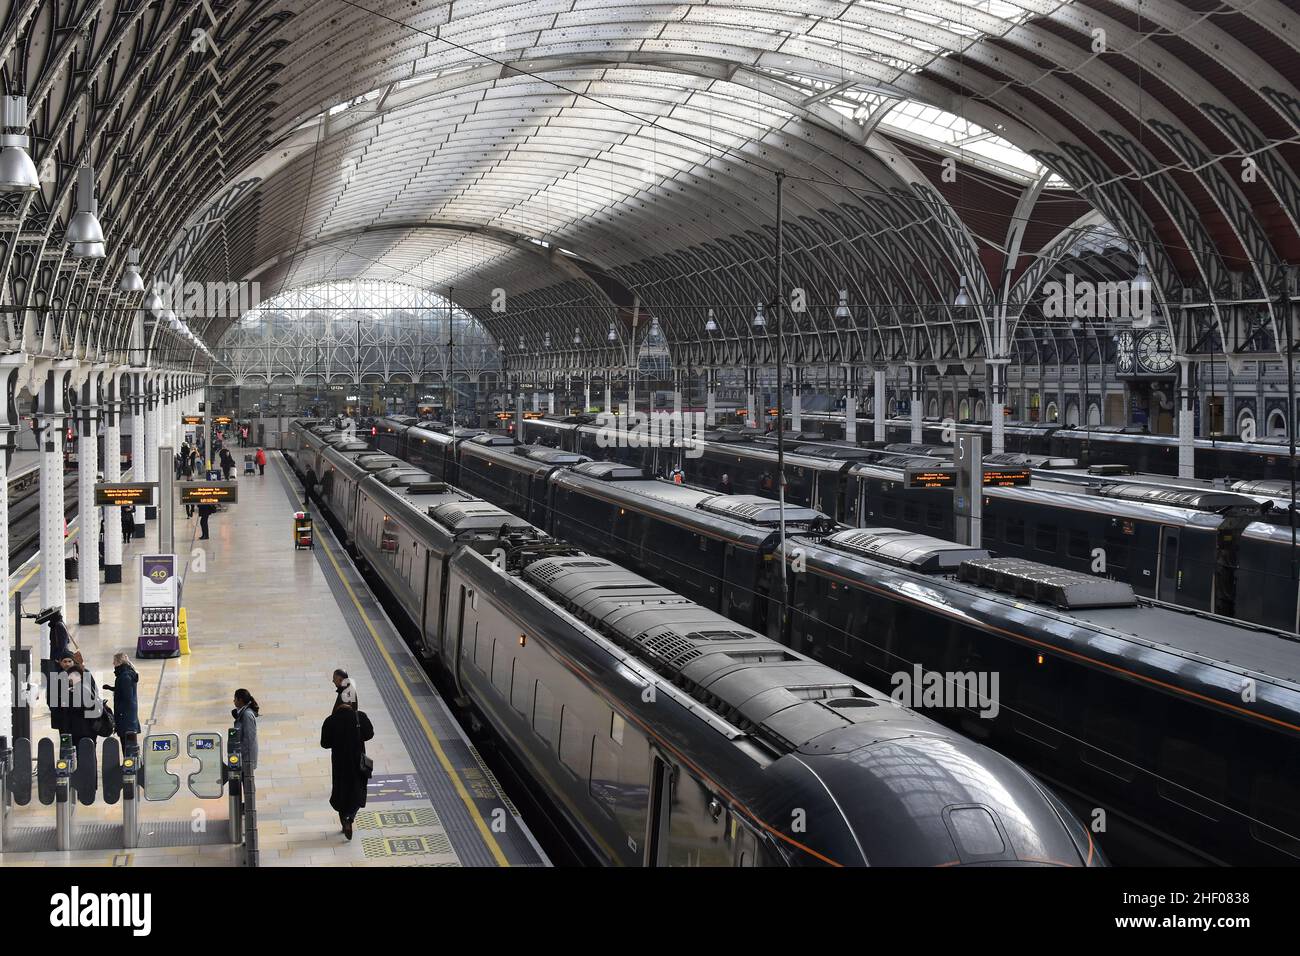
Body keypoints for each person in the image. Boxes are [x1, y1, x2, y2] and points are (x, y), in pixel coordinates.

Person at [320, 699, 374, 840]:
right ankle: (350, 817)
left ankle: (344, 818)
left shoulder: (330, 721)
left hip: (339, 763)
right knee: (358, 790)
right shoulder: (360, 716)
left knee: (341, 791)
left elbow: (324, 743)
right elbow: (369, 734)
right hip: (358, 762)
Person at [103, 653, 140, 756]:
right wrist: (111, 688)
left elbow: (127, 696)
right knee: (128, 741)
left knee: (127, 742)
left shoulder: (124, 676)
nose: (113, 663)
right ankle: (130, 761)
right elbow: (124, 690)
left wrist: (120, 713)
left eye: (114, 661)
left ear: (119, 662)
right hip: (128, 714)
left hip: (125, 716)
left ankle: (129, 761)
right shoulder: (126, 674)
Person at [232, 689, 259, 771]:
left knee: (248, 783)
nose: (233, 701)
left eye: (235, 698)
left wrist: (238, 755)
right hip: (244, 758)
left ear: (240, 700)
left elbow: (249, 739)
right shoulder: (242, 713)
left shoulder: (247, 715)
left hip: (246, 759)